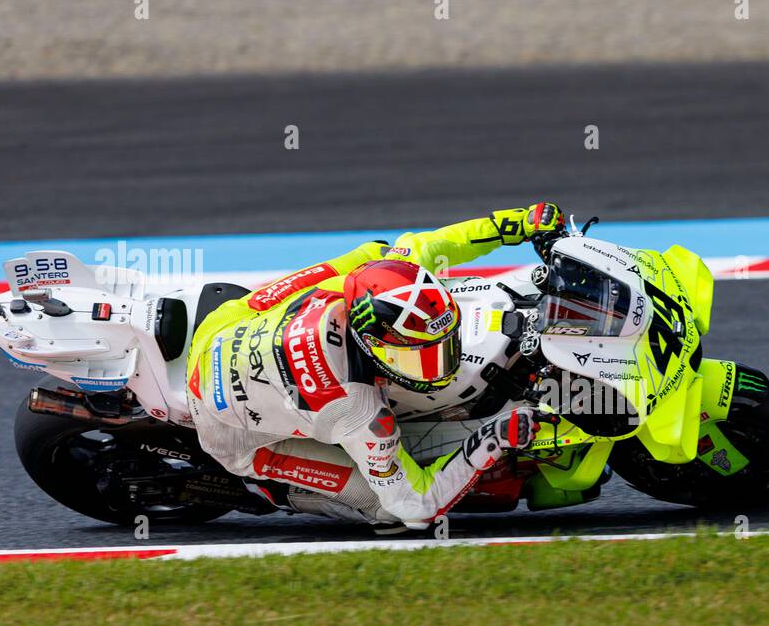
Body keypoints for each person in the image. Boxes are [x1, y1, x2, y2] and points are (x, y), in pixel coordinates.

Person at [184, 203, 565, 530]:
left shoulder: (365, 283)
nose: (438, 365)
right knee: (388, 511)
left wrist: (514, 223)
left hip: (225, 323)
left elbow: (426, 246)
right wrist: (494, 438)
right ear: (372, 345)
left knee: (375, 253)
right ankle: (280, 490)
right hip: (226, 428)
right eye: (417, 355)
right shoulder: (358, 410)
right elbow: (417, 505)